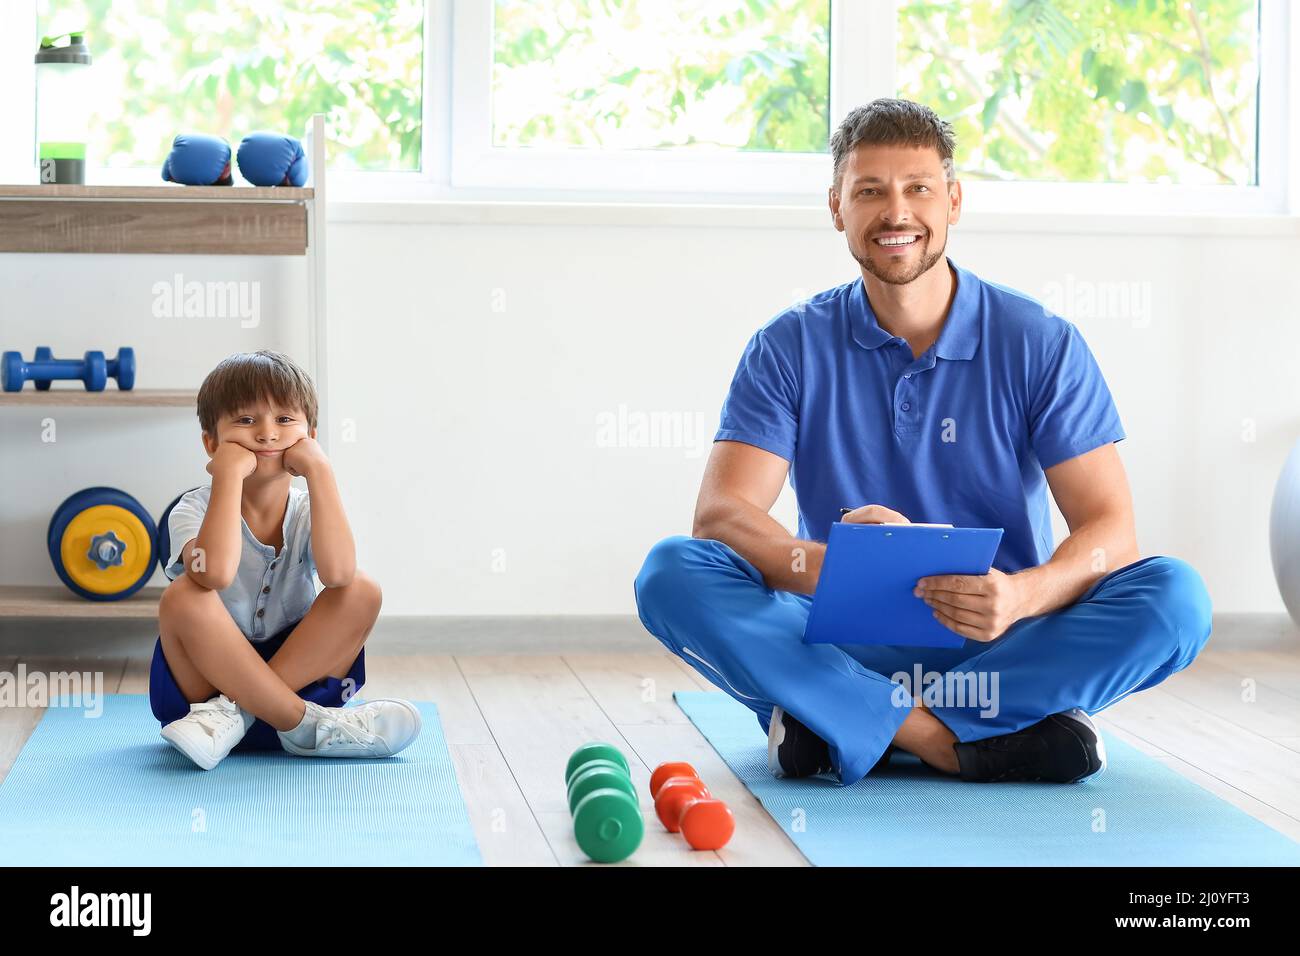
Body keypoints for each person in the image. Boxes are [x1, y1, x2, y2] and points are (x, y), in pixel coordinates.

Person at [634, 98, 1212, 786]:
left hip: (1002, 643)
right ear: (836, 208)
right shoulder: (788, 344)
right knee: (671, 572)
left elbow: (1111, 530)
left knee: (1177, 598)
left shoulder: (1039, 341)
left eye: (918, 189)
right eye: (869, 191)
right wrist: (834, 565)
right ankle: (949, 740)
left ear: (954, 202)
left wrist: (1022, 596)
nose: (896, 212)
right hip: (838, 641)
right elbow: (722, 517)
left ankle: (839, 721)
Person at [149, 349, 421, 770]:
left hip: (294, 683)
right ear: (211, 442)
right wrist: (227, 476)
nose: (267, 434)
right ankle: (313, 729)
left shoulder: (306, 508)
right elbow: (214, 573)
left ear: (308, 434)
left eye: (284, 420)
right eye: (245, 420)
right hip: (198, 700)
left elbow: (339, 573)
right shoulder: (191, 509)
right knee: (185, 596)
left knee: (362, 590)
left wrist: (320, 472)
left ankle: (237, 713)